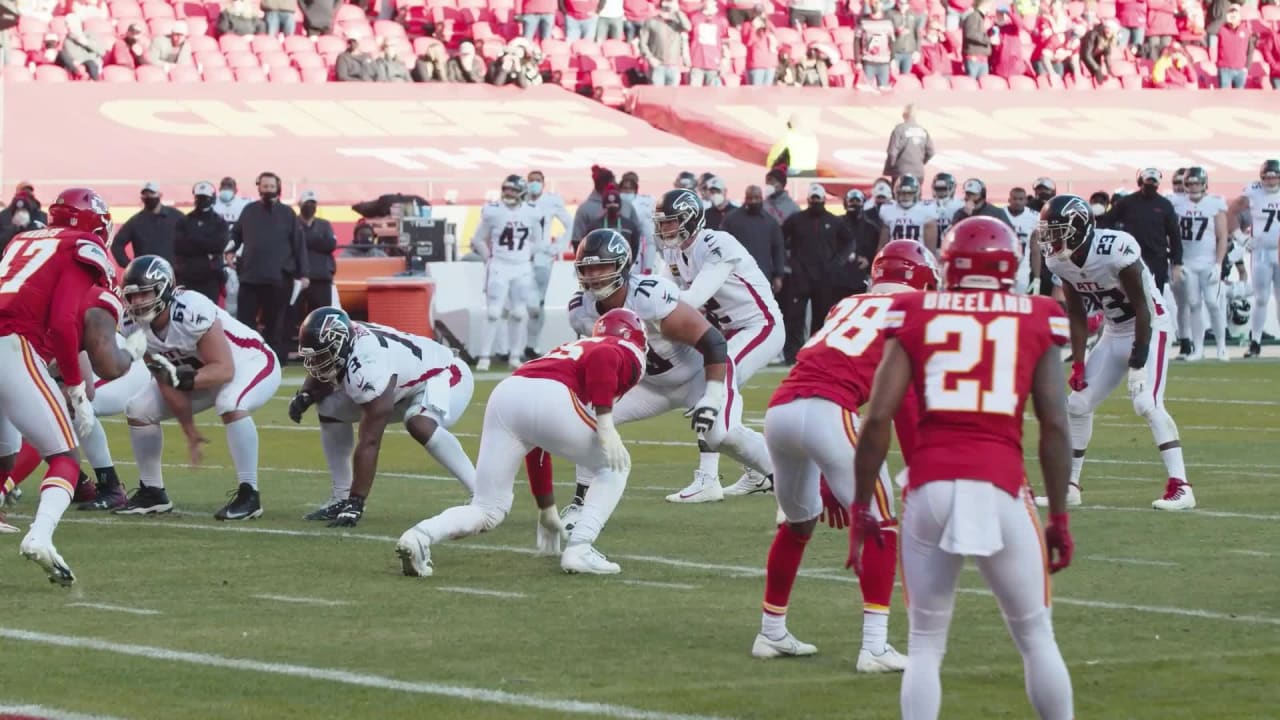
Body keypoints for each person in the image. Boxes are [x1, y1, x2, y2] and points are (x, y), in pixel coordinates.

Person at [850, 216, 1075, 720]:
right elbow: (1055, 426)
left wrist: (863, 506)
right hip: (999, 484)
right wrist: (1058, 516)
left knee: (926, 644)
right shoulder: (1036, 313)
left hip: (928, 487)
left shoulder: (914, 309)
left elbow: (878, 419)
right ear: (1010, 265)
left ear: (949, 264)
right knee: (1036, 634)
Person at [756, 240, 937, 671]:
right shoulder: (917, 310)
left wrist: (828, 476)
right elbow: (906, 401)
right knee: (882, 522)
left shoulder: (848, 304)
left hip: (781, 409)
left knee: (798, 523)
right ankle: (874, 646)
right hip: (828, 412)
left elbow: (834, 365)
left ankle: (770, 631)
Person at [396, 308, 646, 576]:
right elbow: (604, 356)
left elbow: (536, 439)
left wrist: (546, 506)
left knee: (487, 508)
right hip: (551, 393)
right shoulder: (626, 349)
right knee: (615, 465)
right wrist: (606, 424)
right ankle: (581, 547)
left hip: (508, 392)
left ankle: (419, 536)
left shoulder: (573, 346)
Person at [563, 229, 775, 534]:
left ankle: (789, 478)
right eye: (588, 268)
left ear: (622, 265)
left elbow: (714, 342)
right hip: (647, 384)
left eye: (603, 267)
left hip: (696, 376)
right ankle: (581, 503)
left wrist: (713, 395)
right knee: (585, 418)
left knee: (722, 435)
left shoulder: (649, 296)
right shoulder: (580, 310)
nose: (594, 276)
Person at [0, 187, 144, 583]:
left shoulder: (22, 238)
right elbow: (65, 323)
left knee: (6, 450)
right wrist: (78, 389)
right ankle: (40, 537)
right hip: (11, 343)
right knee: (64, 456)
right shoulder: (84, 246)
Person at [1038, 195, 1193, 511]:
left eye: (1059, 231)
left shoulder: (1114, 249)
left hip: (1152, 325)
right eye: (1049, 232)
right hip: (1114, 332)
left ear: (1080, 228)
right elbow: (1078, 314)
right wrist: (1079, 362)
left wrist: (1139, 360)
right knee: (1078, 404)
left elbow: (1143, 307)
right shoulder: (1060, 261)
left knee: (1146, 403)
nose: (1052, 239)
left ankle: (1182, 487)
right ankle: (1070, 486)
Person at [117, 255, 282, 520]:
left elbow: (224, 368)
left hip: (249, 362)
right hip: (201, 374)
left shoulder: (191, 309)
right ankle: (153, 492)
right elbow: (164, 379)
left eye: (144, 293)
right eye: (132, 296)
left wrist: (185, 381)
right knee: (138, 409)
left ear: (164, 288)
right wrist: (188, 427)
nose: (138, 302)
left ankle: (249, 494)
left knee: (230, 402)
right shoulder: (130, 324)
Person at [655, 188, 785, 502]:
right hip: (726, 331)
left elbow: (691, 299)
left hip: (759, 325)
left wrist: (650, 301)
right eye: (663, 223)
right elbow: (661, 291)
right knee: (705, 385)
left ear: (690, 219)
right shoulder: (674, 253)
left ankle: (711, 478)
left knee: (719, 375)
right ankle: (753, 472)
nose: (666, 229)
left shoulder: (716, 243)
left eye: (672, 222)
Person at [289, 308, 476, 525]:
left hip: (444, 373)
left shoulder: (368, 367)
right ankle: (340, 497)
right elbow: (327, 364)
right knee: (329, 407)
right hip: (404, 383)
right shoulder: (347, 340)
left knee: (418, 422)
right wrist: (305, 394)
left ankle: (481, 493)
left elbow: (370, 441)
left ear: (340, 346)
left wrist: (357, 502)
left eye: (320, 356)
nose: (314, 363)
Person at [230, 171, 308, 364]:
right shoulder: (248, 211)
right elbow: (235, 236)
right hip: (250, 276)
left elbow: (299, 245)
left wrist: (303, 273)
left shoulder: (288, 213)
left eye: (272, 187)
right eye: (265, 187)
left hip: (278, 279)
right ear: (259, 187)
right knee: (244, 323)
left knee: (276, 324)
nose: (268, 190)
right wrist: (229, 252)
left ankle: (275, 361)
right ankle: (245, 360)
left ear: (278, 188)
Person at [469, 174, 544, 371]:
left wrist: (525, 256)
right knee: (494, 312)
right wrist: (489, 257)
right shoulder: (493, 211)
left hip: (521, 267)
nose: (508, 193)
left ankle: (514, 356)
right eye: (506, 189)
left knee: (519, 313)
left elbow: (539, 240)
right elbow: (477, 239)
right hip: (499, 265)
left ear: (521, 192)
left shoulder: (532, 212)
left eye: (512, 190)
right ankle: (484, 356)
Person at [781, 184, 855, 363]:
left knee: (821, 317)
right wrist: (790, 262)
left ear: (824, 200)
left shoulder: (835, 221)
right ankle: (792, 355)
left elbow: (849, 242)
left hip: (825, 277)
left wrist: (838, 262)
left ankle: (817, 354)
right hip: (801, 276)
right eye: (813, 198)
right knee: (795, 317)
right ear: (808, 200)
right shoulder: (796, 220)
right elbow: (780, 239)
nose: (815, 201)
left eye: (818, 198)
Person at [1169, 167, 1229, 362]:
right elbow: (1170, 234)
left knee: (1213, 303)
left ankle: (1221, 347)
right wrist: (1177, 262)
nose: (1193, 187)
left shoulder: (1214, 204)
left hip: (1209, 262)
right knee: (1194, 304)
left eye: (1197, 183)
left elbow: (1222, 237)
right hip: (1188, 262)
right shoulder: (1176, 203)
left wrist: (1219, 264)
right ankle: (1198, 348)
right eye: (1190, 183)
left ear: (1204, 184)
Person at [1227, 159, 1280, 359]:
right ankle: (1255, 341)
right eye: (1267, 176)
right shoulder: (1254, 191)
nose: (1271, 180)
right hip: (1262, 252)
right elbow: (1232, 210)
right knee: (1261, 298)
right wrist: (1240, 236)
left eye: (1274, 176)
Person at [524, 170, 573, 359]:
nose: (534, 184)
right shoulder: (520, 201)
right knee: (521, 305)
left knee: (538, 305)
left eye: (537, 181)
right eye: (531, 181)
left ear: (543, 184)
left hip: (543, 259)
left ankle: (532, 345)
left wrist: (557, 247)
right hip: (521, 259)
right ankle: (509, 349)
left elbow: (569, 223)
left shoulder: (551, 201)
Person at [721, 185, 786, 294]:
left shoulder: (770, 222)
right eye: (750, 198)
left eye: (756, 198)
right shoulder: (731, 219)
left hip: (763, 276)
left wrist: (778, 276)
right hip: (737, 277)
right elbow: (723, 246)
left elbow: (778, 249)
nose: (753, 201)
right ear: (745, 199)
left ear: (762, 198)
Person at [173, 181, 228, 303]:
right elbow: (179, 246)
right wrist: (206, 243)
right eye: (199, 198)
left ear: (212, 198)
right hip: (186, 278)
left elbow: (219, 246)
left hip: (211, 278)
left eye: (205, 198)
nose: (201, 201)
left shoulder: (219, 222)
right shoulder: (184, 221)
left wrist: (193, 238)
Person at [110, 181, 183, 266]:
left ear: (160, 195)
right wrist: (129, 265)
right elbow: (117, 244)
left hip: (172, 272)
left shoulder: (176, 217)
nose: (148, 196)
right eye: (145, 194)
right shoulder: (135, 221)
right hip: (145, 275)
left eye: (151, 193)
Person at [297, 190, 337, 317]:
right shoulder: (293, 222)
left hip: (322, 278)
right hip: (298, 278)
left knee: (322, 317)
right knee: (296, 317)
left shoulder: (324, 224)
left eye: (313, 203)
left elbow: (331, 244)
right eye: (307, 203)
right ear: (300, 204)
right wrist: (317, 240)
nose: (310, 206)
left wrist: (305, 240)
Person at [877, 175, 939, 252]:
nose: (905, 196)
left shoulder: (926, 210)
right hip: (894, 254)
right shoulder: (888, 209)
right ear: (896, 193)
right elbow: (883, 244)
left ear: (916, 193)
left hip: (918, 255)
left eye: (909, 193)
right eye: (902, 193)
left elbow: (930, 249)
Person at [883, 105, 934, 183]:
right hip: (918, 172)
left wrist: (892, 166)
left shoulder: (899, 130)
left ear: (904, 114)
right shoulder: (923, 131)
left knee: (899, 194)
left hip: (900, 173)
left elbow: (892, 152)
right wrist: (920, 162)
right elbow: (931, 152)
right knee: (916, 194)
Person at [1006, 186, 1042, 294]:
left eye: (1021, 199)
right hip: (1003, 266)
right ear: (1009, 200)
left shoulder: (1034, 217)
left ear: (1026, 200)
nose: (1017, 202)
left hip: (1023, 270)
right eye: (1015, 199)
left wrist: (1037, 277)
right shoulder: (1000, 214)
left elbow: (1035, 250)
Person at [927, 172, 963, 238]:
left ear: (951, 188)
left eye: (943, 189)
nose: (940, 191)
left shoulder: (961, 206)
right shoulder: (927, 206)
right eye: (938, 188)